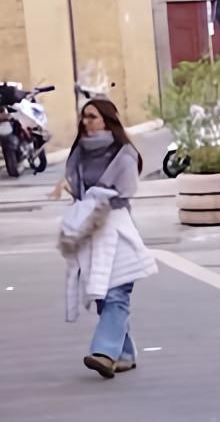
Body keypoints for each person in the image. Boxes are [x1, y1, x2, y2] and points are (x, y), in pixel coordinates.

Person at [55, 97, 152, 380]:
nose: (86, 122)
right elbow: (80, 193)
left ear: (107, 120)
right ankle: (125, 354)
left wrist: (97, 201)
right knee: (102, 296)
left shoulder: (124, 154)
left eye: (92, 116)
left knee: (116, 294)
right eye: (84, 116)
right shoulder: (79, 153)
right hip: (90, 233)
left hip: (117, 230)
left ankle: (104, 353)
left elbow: (124, 193)